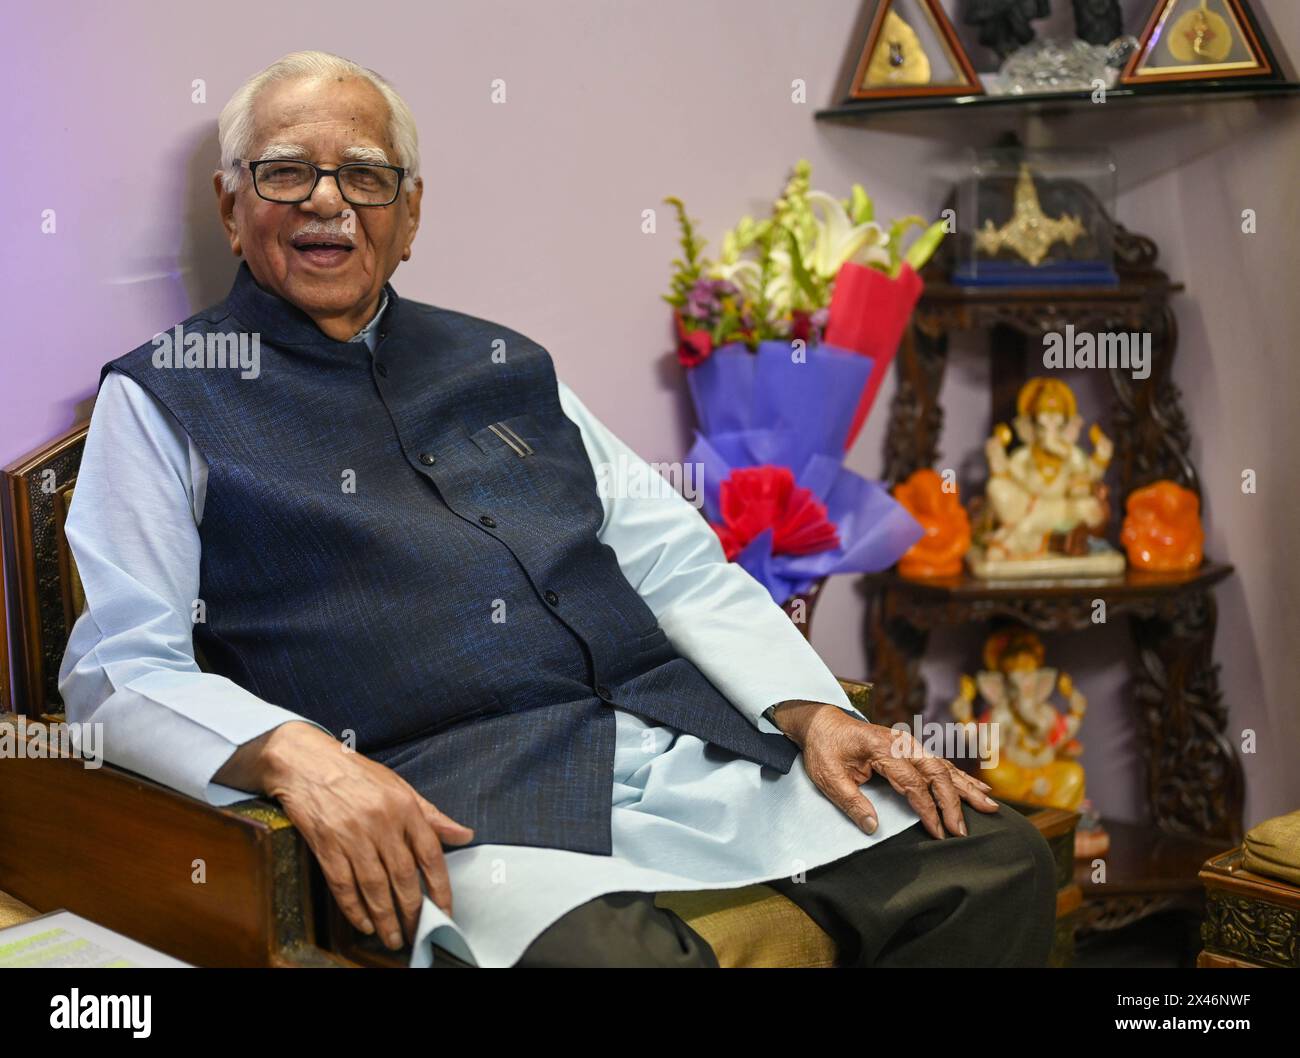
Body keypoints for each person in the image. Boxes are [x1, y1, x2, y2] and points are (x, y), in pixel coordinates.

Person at [59, 50, 1056, 967]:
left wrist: (814, 708)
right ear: (231, 206)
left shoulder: (501, 362)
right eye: (284, 171)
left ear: (408, 218)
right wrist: (297, 754)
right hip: (448, 798)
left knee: (991, 859)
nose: (328, 201)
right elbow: (116, 667)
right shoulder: (163, 398)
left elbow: (670, 562)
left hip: (664, 743)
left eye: (365, 174)